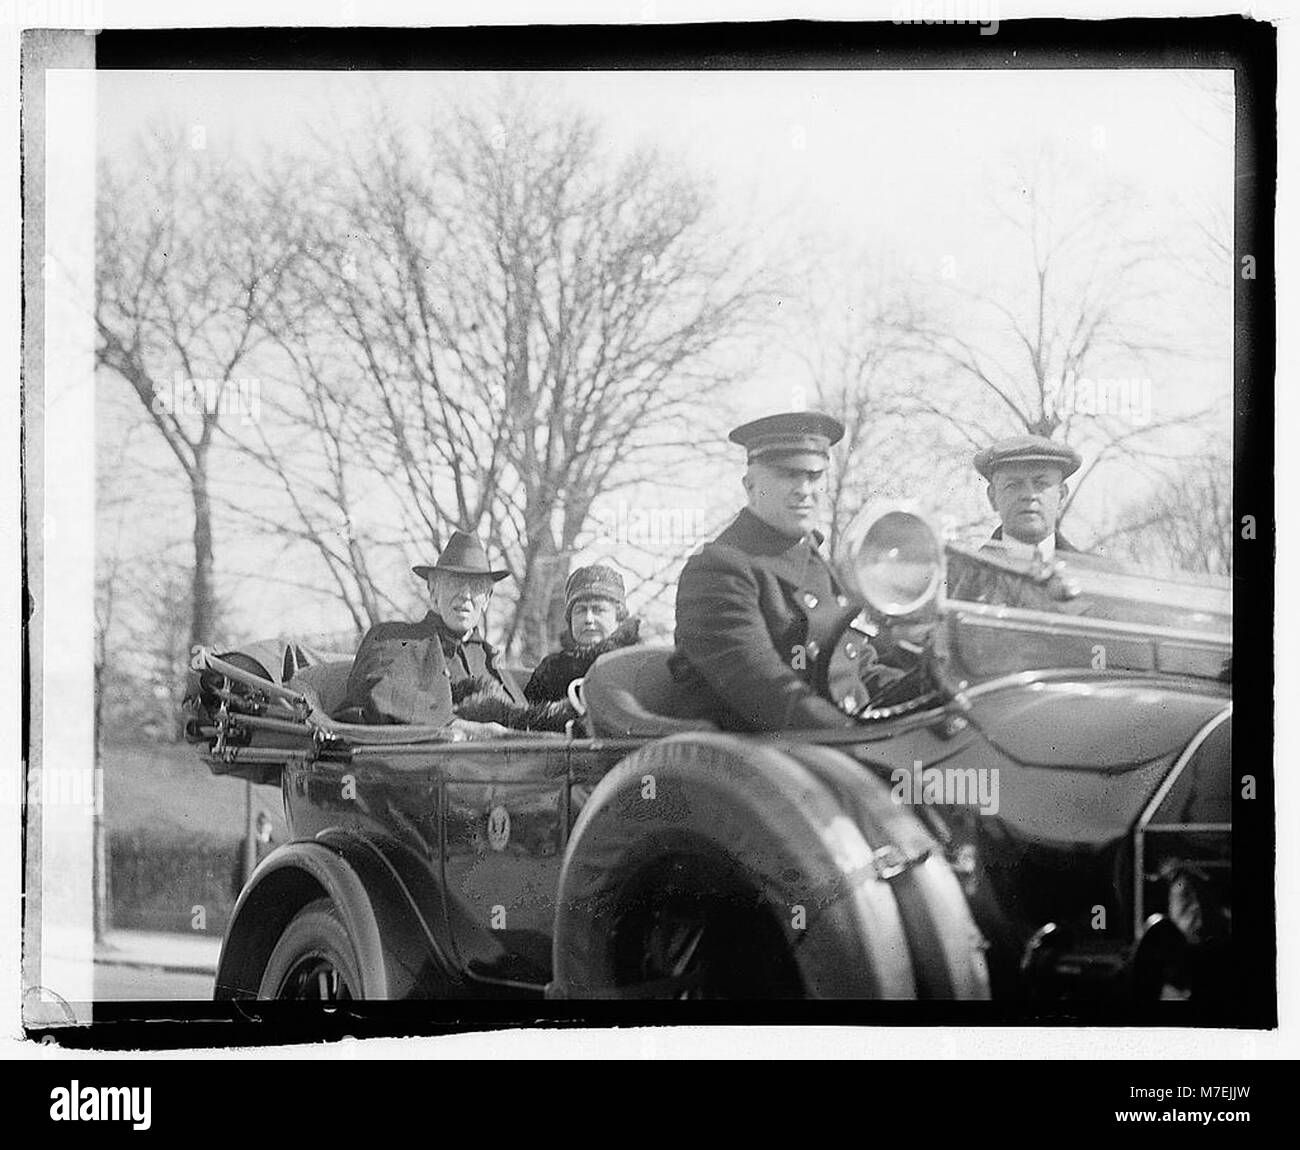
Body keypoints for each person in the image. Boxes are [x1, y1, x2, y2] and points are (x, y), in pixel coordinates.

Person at [670, 410, 896, 732]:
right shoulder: (720, 570)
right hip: (758, 761)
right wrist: (857, 738)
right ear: (750, 485)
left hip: (825, 747)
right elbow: (762, 688)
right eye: (788, 475)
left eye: (815, 476)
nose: (804, 489)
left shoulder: (818, 565)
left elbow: (856, 670)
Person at [342, 529, 524, 726]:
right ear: (433, 590)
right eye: (456, 581)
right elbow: (378, 693)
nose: (466, 594)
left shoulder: (489, 659)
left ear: (487, 598)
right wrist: (454, 725)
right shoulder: (398, 640)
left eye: (477, 585)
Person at [947, 434, 1085, 608]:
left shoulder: (1096, 578)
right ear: (993, 497)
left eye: (1041, 483)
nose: (1029, 495)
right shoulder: (960, 579)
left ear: (1062, 495)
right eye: (1013, 485)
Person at [524, 564, 642, 704]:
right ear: (570, 620)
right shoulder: (552, 669)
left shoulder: (639, 664)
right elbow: (525, 719)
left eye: (598, 609)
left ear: (619, 618)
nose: (588, 619)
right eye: (580, 610)